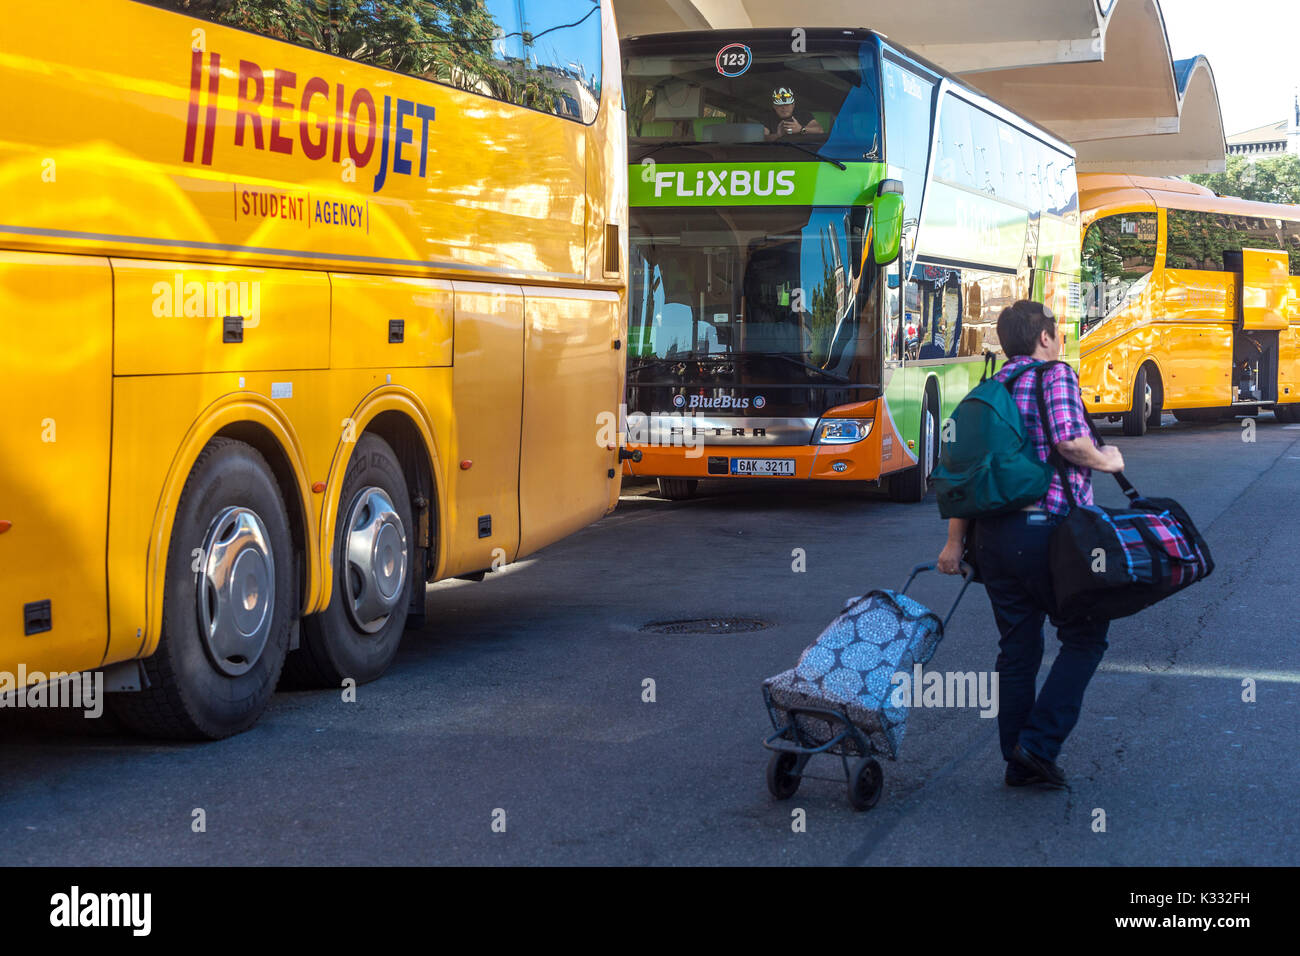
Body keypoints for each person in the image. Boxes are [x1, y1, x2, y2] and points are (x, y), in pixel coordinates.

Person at [936, 300, 1125, 790]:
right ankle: (1037, 746)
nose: (1060, 340)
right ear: (1043, 337)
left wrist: (954, 543)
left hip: (994, 539)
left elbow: (965, 474)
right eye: (1057, 333)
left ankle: (1016, 758)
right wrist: (1108, 460)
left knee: (1017, 649)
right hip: (1050, 533)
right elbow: (1068, 443)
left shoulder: (988, 389)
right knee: (1085, 636)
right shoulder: (1054, 376)